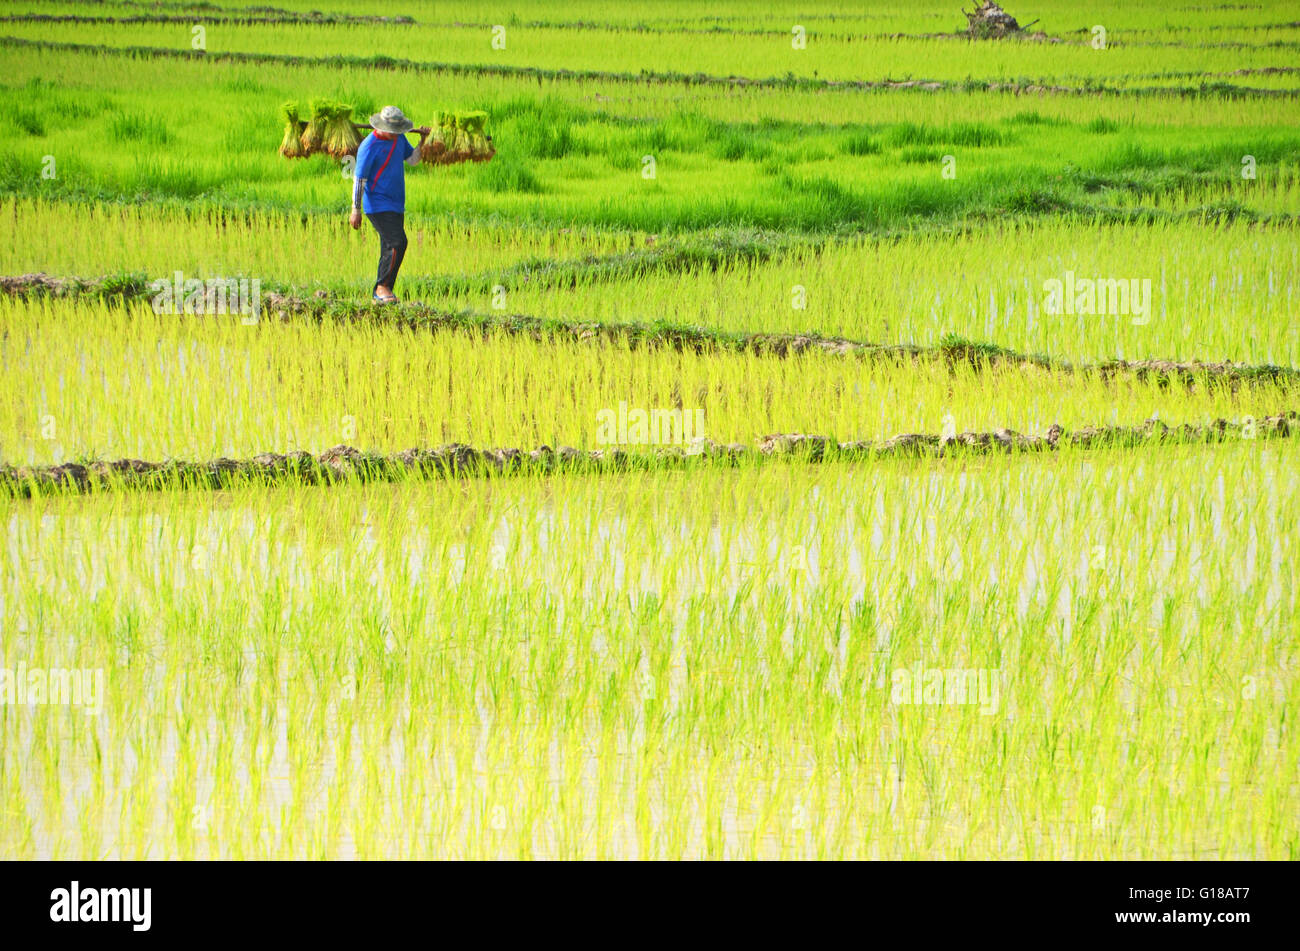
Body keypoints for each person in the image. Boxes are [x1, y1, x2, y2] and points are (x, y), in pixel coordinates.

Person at [349, 106, 430, 304]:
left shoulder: (399, 139)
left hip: (396, 203)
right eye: (392, 132)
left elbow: (412, 160)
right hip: (376, 204)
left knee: (388, 247)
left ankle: (381, 293)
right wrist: (355, 210)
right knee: (398, 242)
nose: (395, 135)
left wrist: (423, 141)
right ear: (382, 127)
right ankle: (382, 287)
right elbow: (359, 179)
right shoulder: (369, 146)